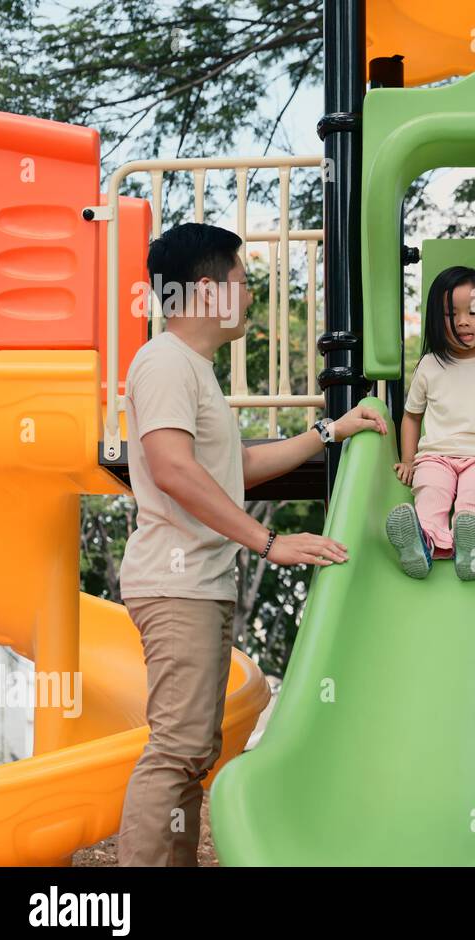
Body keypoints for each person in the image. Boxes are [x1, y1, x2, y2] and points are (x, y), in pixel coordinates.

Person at [119, 222, 385, 865]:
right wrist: (269, 542)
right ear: (207, 290)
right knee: (177, 749)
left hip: (198, 583)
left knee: (193, 752)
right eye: (243, 281)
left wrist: (331, 430)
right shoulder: (162, 363)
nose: (250, 295)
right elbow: (174, 470)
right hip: (174, 582)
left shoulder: (192, 369)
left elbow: (228, 466)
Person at [385, 266, 475, 581]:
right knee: (431, 494)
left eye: (473, 312)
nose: (463, 321)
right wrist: (408, 460)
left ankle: (473, 554)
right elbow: (412, 416)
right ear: (437, 319)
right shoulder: (430, 366)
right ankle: (422, 544)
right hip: (435, 456)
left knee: (473, 502)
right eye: (452, 314)